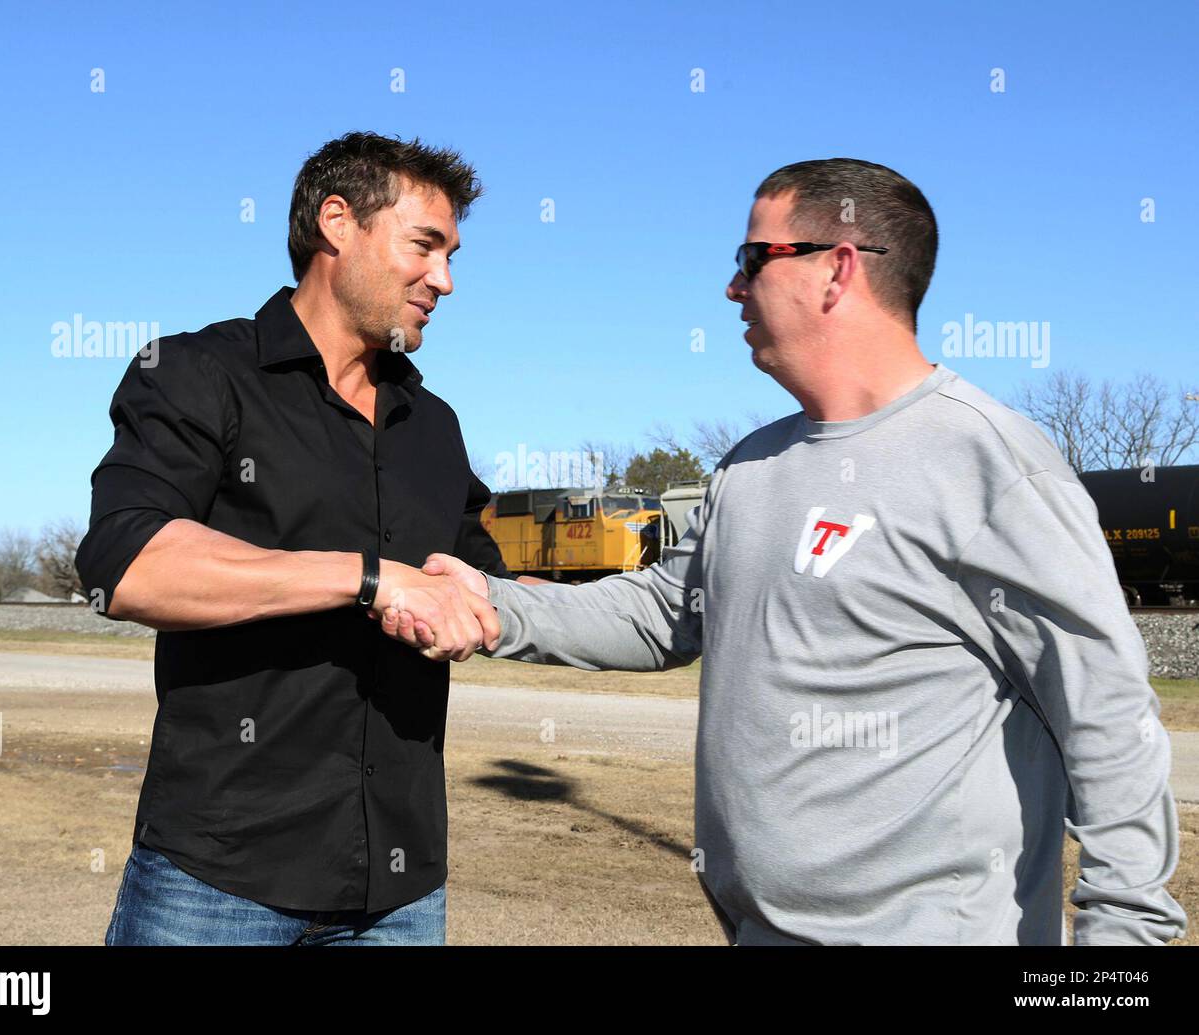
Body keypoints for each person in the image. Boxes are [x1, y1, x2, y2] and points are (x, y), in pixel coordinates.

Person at [387, 158, 1188, 945]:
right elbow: (667, 611)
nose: (732, 288)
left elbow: (1108, 715)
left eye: (750, 260)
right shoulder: (749, 465)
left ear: (837, 269)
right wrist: (496, 606)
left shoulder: (989, 463)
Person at [76, 131, 508, 945]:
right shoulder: (197, 372)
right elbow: (125, 564)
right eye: (426, 245)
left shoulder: (434, 426)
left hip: (401, 895)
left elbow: (488, 583)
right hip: (217, 883)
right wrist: (372, 577)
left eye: (452, 255)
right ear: (337, 223)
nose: (445, 280)